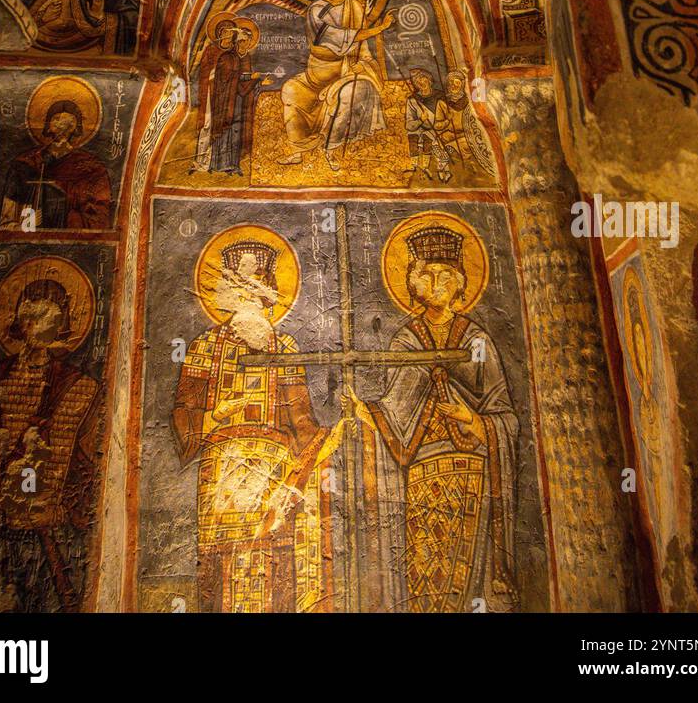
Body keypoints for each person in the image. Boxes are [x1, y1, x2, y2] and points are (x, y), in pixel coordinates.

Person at [353, 223, 518, 612]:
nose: (436, 281)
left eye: (445, 274)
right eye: (427, 274)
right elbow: (395, 412)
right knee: (427, 576)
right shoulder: (405, 341)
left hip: (474, 471)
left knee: (470, 574)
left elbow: (505, 415)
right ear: (414, 283)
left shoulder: (476, 340)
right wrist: (367, 413)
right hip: (423, 472)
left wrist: (475, 421)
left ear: (461, 281)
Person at [172, 239, 342, 612]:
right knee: (221, 558)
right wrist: (216, 415)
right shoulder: (204, 348)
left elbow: (300, 418)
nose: (250, 300)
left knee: (276, 556)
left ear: (266, 295)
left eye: (256, 290)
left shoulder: (283, 346)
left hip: (272, 471)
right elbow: (183, 411)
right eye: (240, 289)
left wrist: (323, 442)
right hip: (222, 472)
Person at [0, 275, 99, 612]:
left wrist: (57, 505)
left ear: (62, 324)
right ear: (19, 321)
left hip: (43, 532)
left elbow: (84, 462)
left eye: (50, 318)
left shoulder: (78, 386)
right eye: (32, 316)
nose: (39, 326)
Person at [280, 0, 392, 169]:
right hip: (316, 73)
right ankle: (297, 151)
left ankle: (330, 149)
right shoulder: (315, 10)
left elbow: (361, 45)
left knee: (347, 95)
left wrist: (364, 64)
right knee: (290, 90)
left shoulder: (356, 8)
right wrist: (380, 28)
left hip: (346, 72)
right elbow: (332, 40)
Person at [0, 99, 111, 230]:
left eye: (69, 121)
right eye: (56, 119)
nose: (62, 125)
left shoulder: (91, 167)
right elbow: (7, 221)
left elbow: (98, 217)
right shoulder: (25, 163)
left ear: (76, 127)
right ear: (48, 125)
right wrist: (24, 225)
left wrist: (66, 215)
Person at [192, 17, 269, 175]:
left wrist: (256, 81)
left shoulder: (242, 57)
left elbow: (240, 78)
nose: (246, 45)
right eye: (243, 41)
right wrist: (253, 79)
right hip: (218, 97)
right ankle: (209, 163)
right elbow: (216, 75)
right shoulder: (223, 54)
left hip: (234, 98)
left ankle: (230, 165)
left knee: (234, 131)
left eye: (248, 42)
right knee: (214, 128)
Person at [434, 69, 497, 181]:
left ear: (462, 84)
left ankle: (468, 168)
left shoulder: (470, 101)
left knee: (464, 144)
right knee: (436, 142)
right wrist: (447, 121)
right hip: (451, 133)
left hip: (467, 134)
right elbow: (437, 126)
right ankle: (445, 171)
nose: (454, 86)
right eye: (451, 83)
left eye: (457, 83)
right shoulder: (442, 102)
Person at [403, 68, 451, 181]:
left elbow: (449, 114)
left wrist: (445, 121)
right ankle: (414, 166)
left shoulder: (440, 95)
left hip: (438, 128)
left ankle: (425, 167)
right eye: (417, 82)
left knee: (427, 138)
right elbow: (408, 125)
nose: (421, 83)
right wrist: (420, 120)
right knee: (412, 136)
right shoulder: (412, 100)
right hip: (420, 128)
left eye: (423, 79)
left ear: (429, 80)